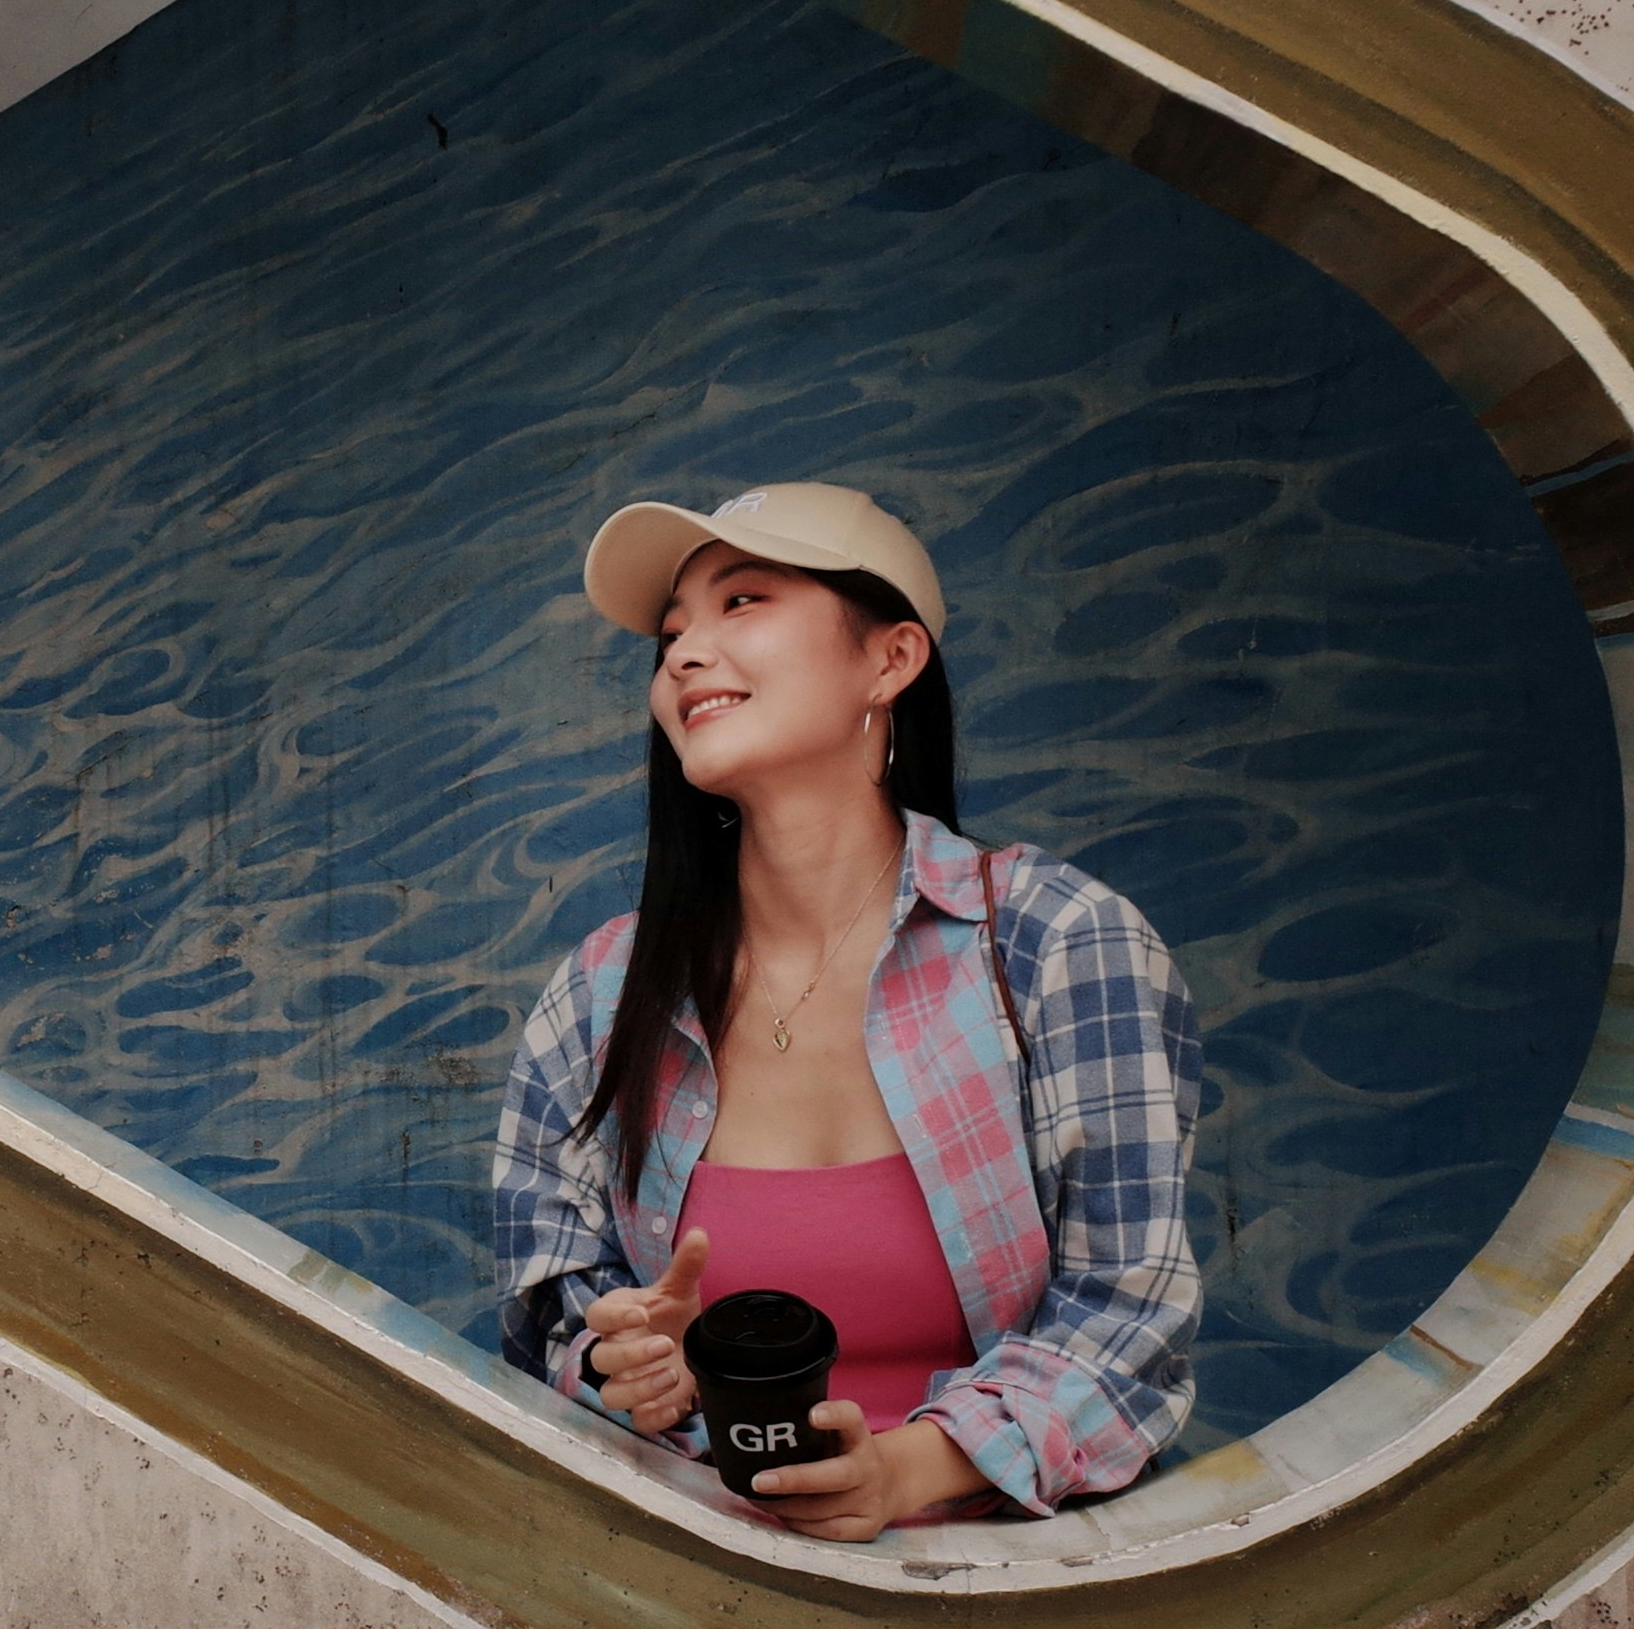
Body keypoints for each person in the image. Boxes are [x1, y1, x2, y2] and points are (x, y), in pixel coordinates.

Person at [493, 483, 1202, 1537]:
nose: (684, 654)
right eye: (672, 632)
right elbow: (551, 1298)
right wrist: (622, 1364)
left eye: (743, 601)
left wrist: (906, 1471)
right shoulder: (602, 987)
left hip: (998, 1591)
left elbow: (1130, 1314)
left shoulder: (1059, 942)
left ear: (890, 658)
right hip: (683, 1582)